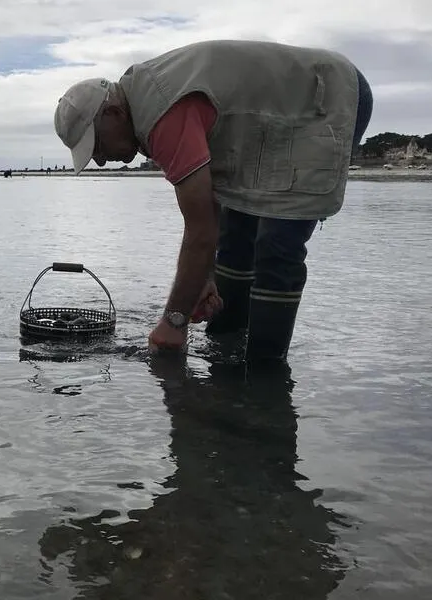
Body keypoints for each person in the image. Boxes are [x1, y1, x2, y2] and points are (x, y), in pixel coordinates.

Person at [53, 39, 374, 365]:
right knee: (236, 236)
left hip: (329, 97)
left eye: (96, 145)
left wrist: (174, 321)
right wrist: (204, 277)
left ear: (113, 113)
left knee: (278, 245)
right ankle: (226, 356)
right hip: (273, 126)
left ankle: (264, 377)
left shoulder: (163, 114)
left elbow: (200, 231)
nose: (101, 160)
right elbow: (211, 206)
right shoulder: (145, 102)